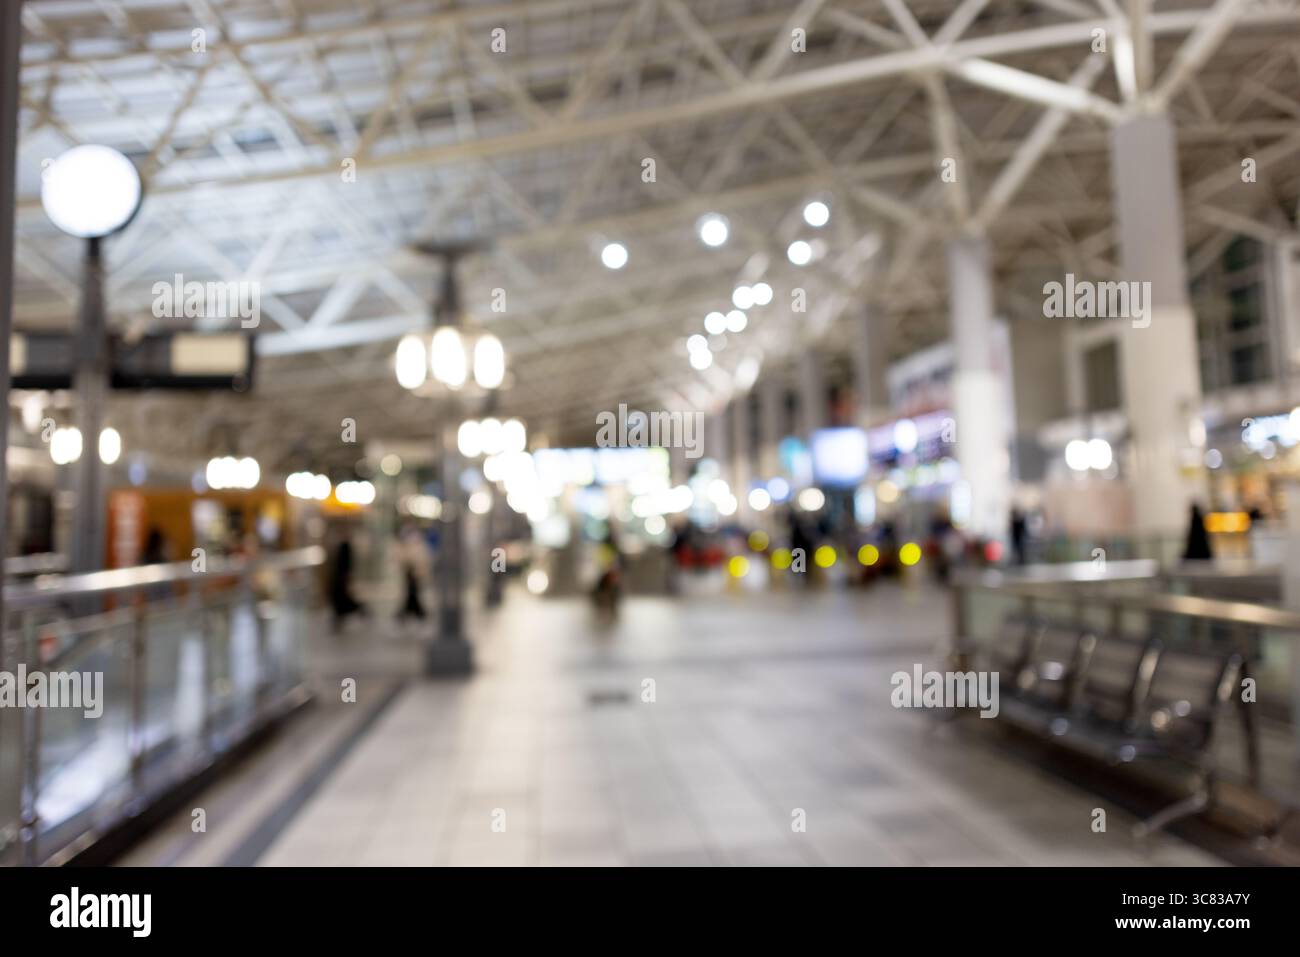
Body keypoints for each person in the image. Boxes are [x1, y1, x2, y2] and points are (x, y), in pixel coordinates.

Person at [328, 532, 366, 631]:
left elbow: (347, 563)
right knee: (341, 598)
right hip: (340, 576)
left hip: (342, 576)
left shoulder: (346, 546)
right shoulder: (343, 546)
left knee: (343, 598)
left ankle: (358, 609)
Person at [396, 526, 427, 621]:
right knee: (411, 592)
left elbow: (420, 558)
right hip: (409, 570)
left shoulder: (417, 544)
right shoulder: (408, 543)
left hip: (414, 571)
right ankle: (415, 611)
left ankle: (416, 612)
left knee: (413, 592)